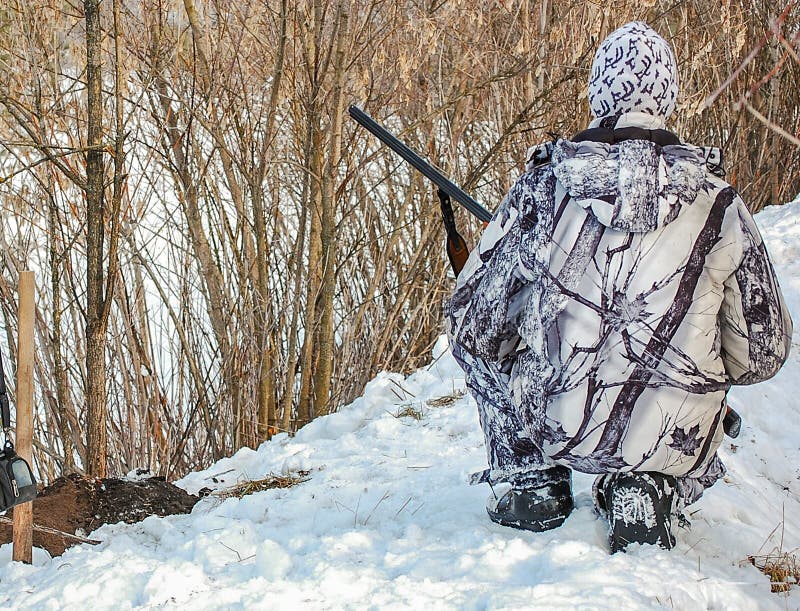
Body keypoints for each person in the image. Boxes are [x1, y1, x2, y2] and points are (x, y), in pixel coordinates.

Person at [445, 21, 792, 552]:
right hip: (673, 437)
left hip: (553, 423)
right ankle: (647, 488)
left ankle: (533, 482)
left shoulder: (544, 187)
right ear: (667, 98)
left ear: (597, 94)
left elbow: (475, 327)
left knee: (479, 334)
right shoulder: (719, 204)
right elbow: (764, 354)